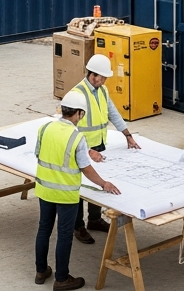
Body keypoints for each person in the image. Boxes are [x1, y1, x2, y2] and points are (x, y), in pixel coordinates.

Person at [34, 89, 121, 291]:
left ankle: (41, 271)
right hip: (65, 194)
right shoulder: (76, 138)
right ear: (79, 113)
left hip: (44, 189)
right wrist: (104, 183)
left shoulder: (45, 128)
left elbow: (38, 154)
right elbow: (86, 168)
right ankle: (62, 278)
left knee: (44, 228)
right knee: (64, 235)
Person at [71, 54, 141, 244]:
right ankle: (78, 227)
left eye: (104, 78)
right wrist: (86, 151)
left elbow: (113, 112)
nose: (102, 81)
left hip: (99, 145)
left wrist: (127, 134)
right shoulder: (77, 94)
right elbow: (70, 127)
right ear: (91, 74)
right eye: (99, 78)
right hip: (82, 147)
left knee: (97, 183)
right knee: (79, 187)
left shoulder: (102, 91)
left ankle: (94, 220)